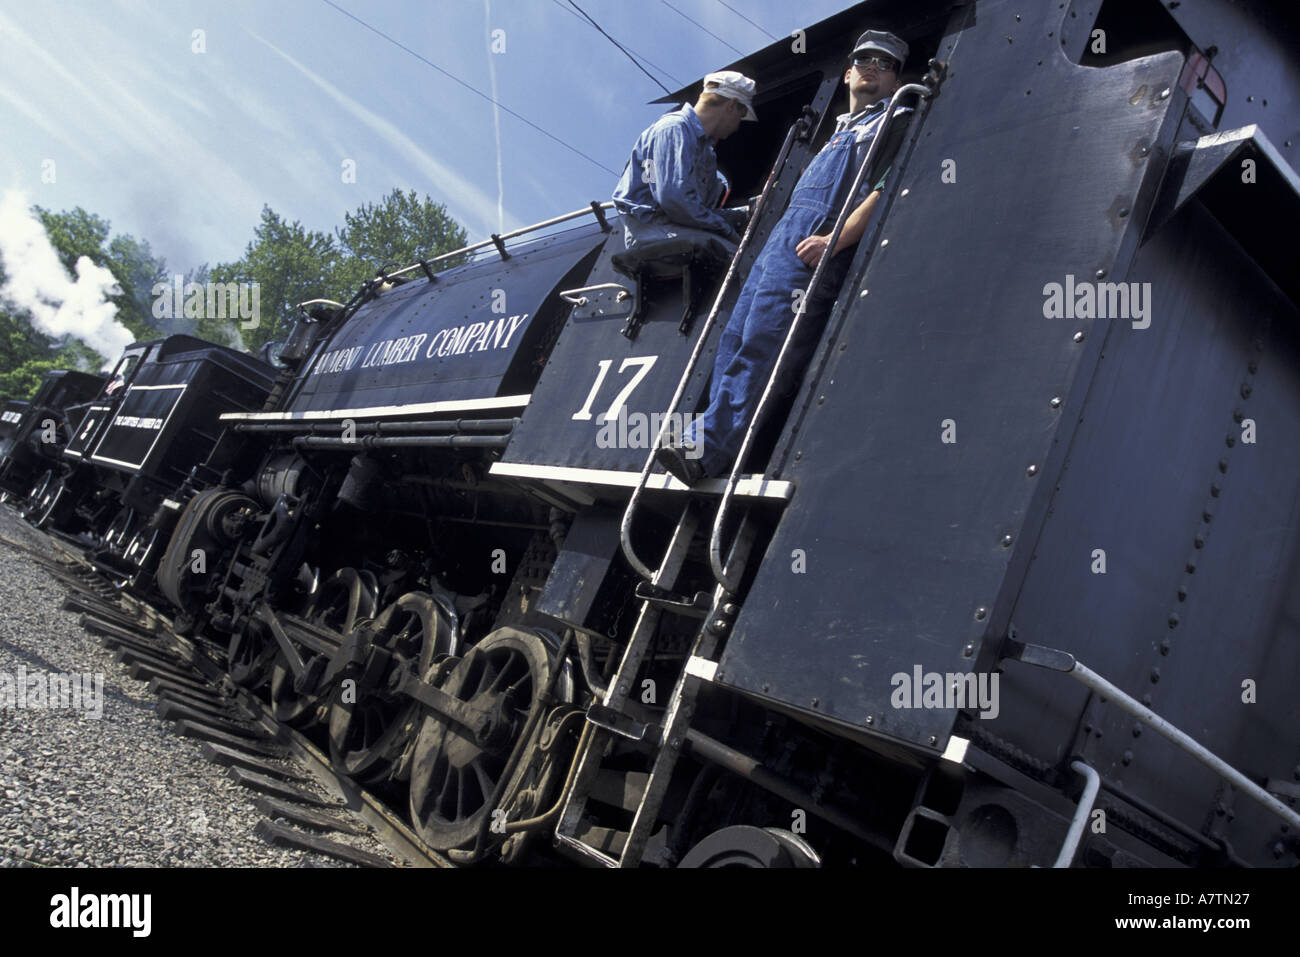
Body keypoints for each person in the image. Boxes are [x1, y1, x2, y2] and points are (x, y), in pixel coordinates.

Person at [656, 30, 909, 485]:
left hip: (814, 246)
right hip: (780, 245)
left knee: (766, 343)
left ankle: (707, 449)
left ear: (895, 78)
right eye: (864, 59)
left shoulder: (896, 116)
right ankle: (706, 439)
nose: (872, 66)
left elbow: (887, 186)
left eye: (884, 63)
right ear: (849, 72)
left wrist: (836, 239)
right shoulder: (837, 132)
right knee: (734, 338)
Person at [612, 70, 758, 251]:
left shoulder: (706, 153)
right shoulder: (673, 130)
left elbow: (699, 211)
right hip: (651, 229)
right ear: (731, 105)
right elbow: (674, 199)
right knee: (737, 258)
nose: (738, 125)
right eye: (741, 115)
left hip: (679, 226)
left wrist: (746, 211)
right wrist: (726, 230)